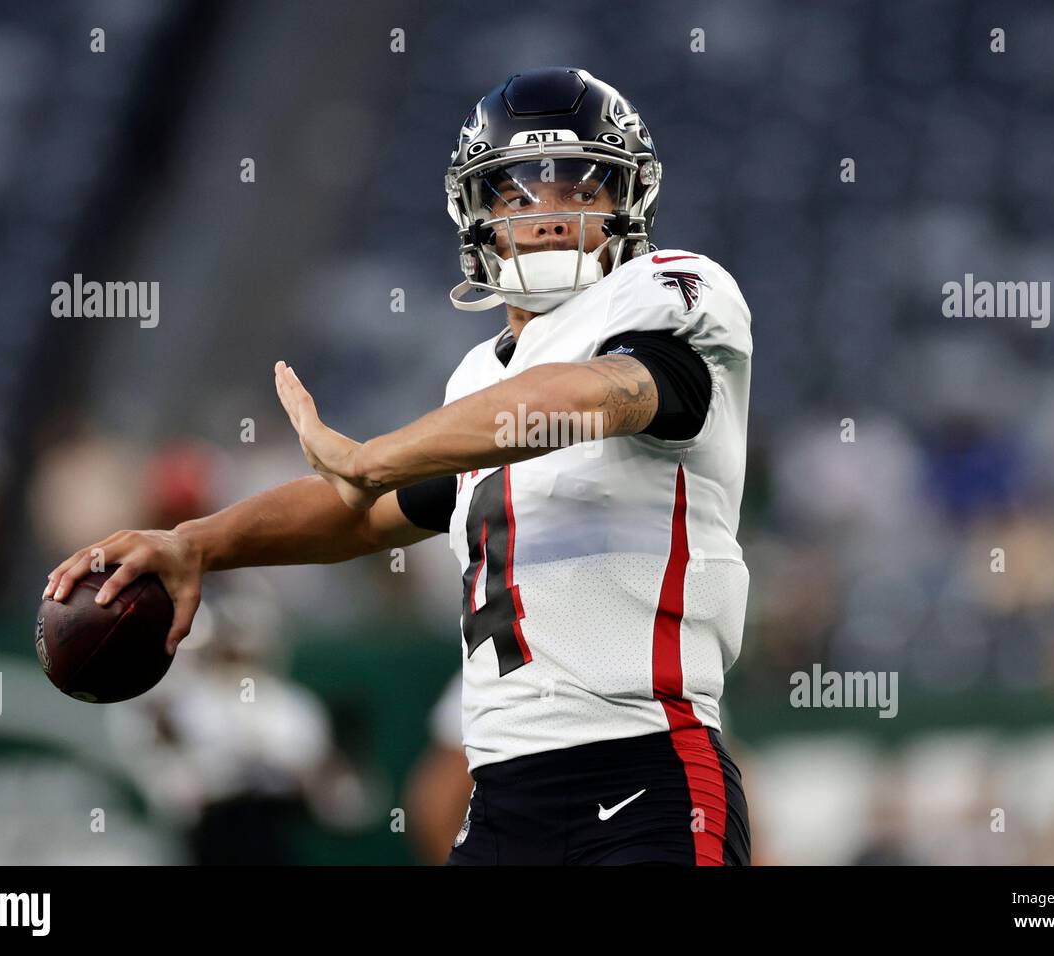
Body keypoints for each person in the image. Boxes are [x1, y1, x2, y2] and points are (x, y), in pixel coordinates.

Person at [45, 67, 753, 865]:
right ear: (475, 214)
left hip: (645, 772)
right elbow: (359, 508)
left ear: (630, 200)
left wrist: (375, 454)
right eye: (517, 193)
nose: (548, 215)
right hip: (503, 797)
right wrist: (197, 544)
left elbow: (594, 396)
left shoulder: (673, 301)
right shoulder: (476, 384)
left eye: (579, 187)